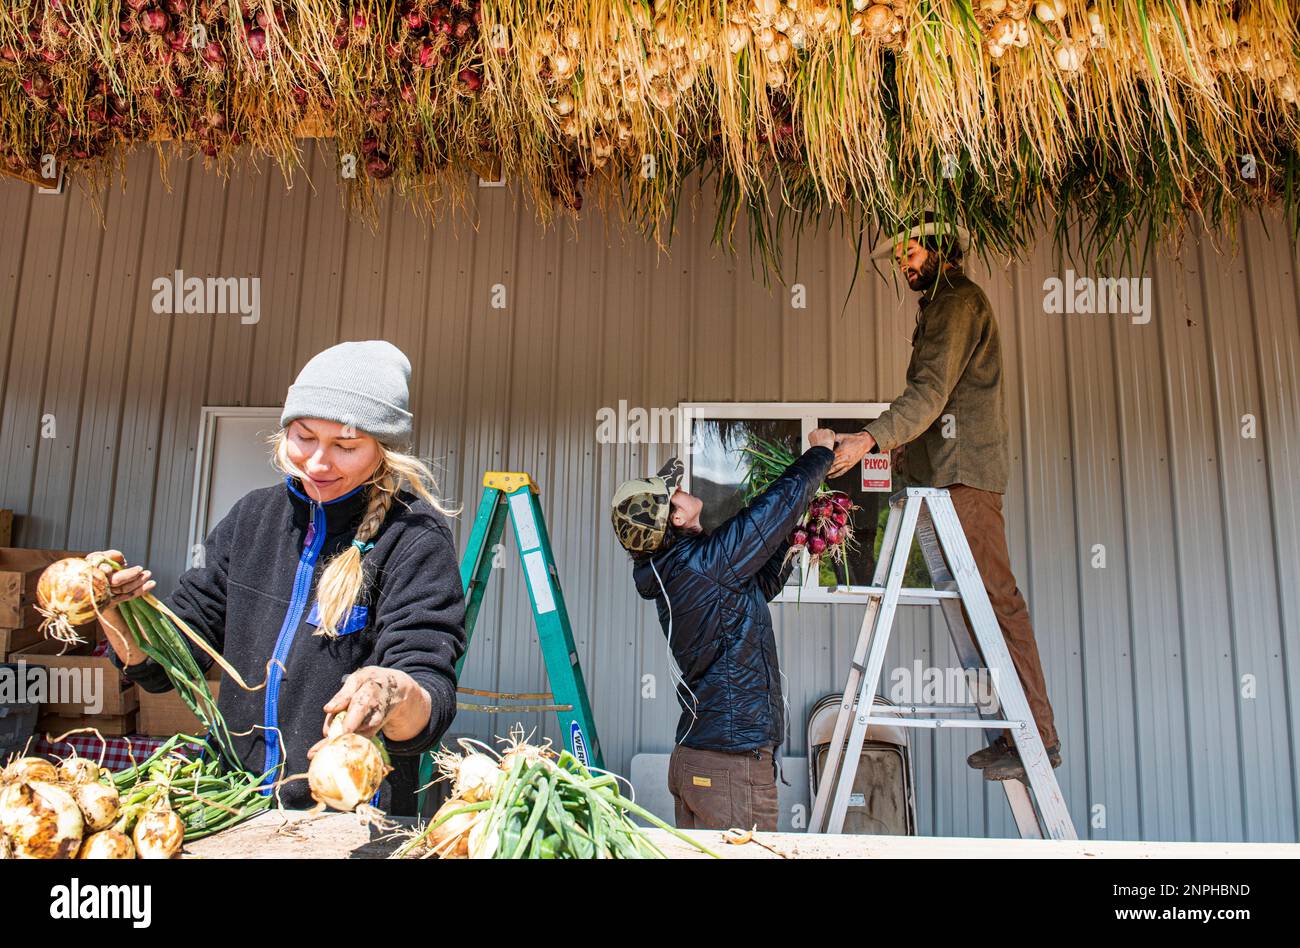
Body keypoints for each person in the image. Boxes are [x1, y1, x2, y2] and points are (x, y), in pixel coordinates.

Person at [92, 340, 467, 809]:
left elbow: (429, 693)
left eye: (345, 445)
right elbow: (167, 665)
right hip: (231, 799)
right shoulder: (251, 518)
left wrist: (390, 690)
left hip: (347, 809)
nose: (317, 462)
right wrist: (115, 611)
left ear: (382, 449)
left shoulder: (412, 537)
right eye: (304, 437)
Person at [829, 212, 1061, 781]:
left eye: (909, 254)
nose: (903, 266)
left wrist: (870, 439)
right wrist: (903, 455)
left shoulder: (957, 301)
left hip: (964, 477)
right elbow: (936, 402)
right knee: (971, 608)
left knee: (997, 602)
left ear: (938, 250)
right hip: (943, 476)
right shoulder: (940, 306)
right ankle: (1011, 735)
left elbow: (929, 393)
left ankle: (1037, 737)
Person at [611, 430, 836, 830]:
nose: (681, 488)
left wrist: (795, 541)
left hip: (706, 763)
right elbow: (775, 508)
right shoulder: (703, 566)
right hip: (728, 769)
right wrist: (819, 452)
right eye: (673, 493)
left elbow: (757, 587)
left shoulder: (684, 570)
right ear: (676, 518)